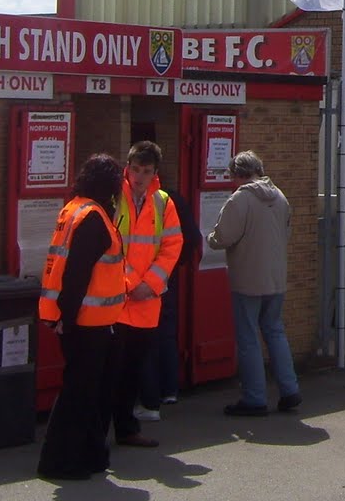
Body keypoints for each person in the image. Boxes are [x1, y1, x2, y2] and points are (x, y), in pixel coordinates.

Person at [37, 154, 126, 481]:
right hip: (87, 322)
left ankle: (91, 454)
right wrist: (68, 317)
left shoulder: (75, 209)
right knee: (80, 393)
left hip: (87, 319)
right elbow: (76, 275)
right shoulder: (93, 218)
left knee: (90, 390)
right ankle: (59, 461)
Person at [208, 150, 301, 417]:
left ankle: (255, 397)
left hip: (247, 278)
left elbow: (222, 236)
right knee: (275, 331)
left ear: (238, 174)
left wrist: (211, 238)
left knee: (248, 337)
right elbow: (287, 232)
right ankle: (289, 389)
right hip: (276, 278)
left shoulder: (241, 199)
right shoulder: (280, 197)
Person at [109, 140, 186, 447]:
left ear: (155, 172)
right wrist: (132, 283)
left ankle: (126, 430)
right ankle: (104, 431)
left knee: (132, 371)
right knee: (110, 371)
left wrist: (150, 284)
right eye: (135, 170)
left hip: (145, 301)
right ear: (127, 168)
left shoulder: (163, 202)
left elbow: (172, 247)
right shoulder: (114, 197)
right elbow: (110, 245)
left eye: (146, 171)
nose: (139, 176)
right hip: (116, 299)